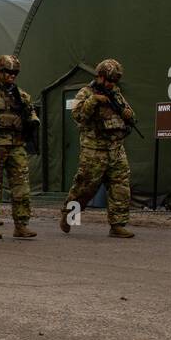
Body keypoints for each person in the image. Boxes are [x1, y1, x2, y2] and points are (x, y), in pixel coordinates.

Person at [61, 58, 136, 238]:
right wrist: (94, 100)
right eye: (109, 80)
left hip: (116, 149)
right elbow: (78, 116)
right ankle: (69, 217)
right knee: (85, 188)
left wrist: (128, 114)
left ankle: (117, 225)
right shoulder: (85, 93)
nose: (111, 84)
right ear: (100, 77)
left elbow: (130, 115)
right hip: (94, 150)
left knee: (121, 188)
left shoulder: (116, 94)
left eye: (114, 81)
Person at [0, 54, 39, 238]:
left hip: (16, 145)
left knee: (22, 186)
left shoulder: (21, 95)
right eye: (8, 72)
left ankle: (21, 224)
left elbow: (31, 113)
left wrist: (33, 122)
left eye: (14, 73)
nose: (12, 76)